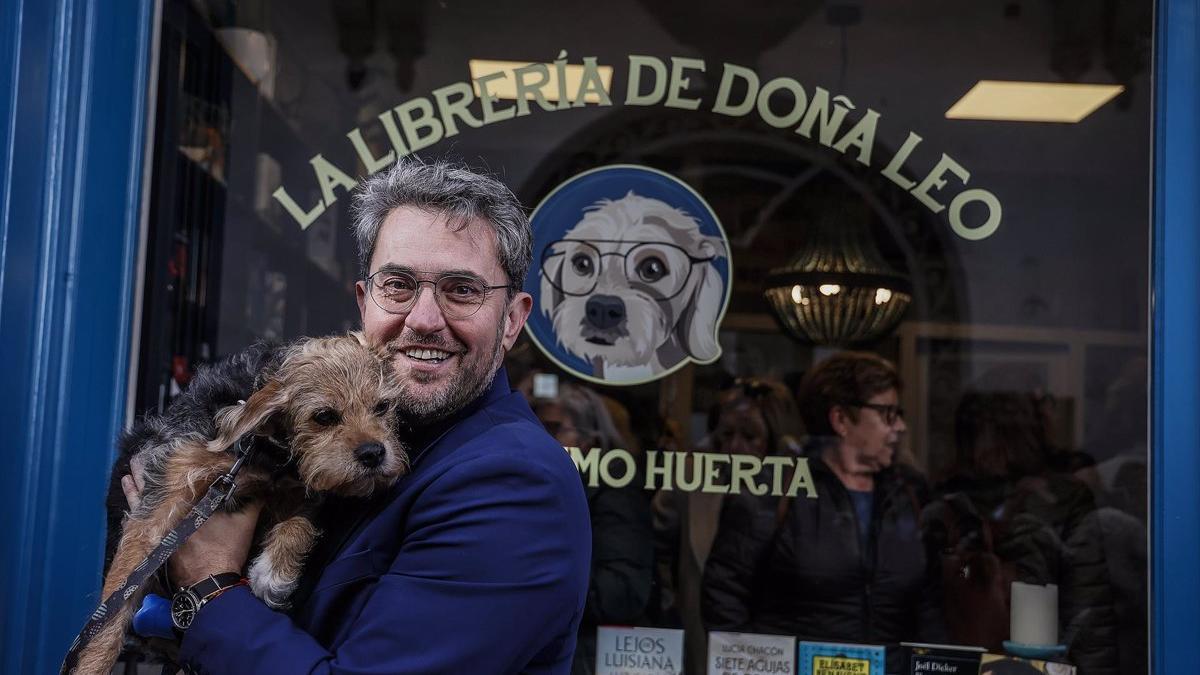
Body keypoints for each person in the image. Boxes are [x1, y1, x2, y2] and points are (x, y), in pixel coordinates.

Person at [122, 159, 592, 673]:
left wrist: (209, 584)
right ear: (365, 303)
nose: (424, 319)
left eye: (462, 290)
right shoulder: (361, 447)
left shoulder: (516, 485)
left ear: (512, 321)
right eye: (398, 285)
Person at [701, 352, 944, 673]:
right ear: (841, 420)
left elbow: (929, 605)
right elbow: (724, 597)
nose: (899, 426)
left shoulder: (910, 492)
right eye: (887, 414)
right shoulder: (775, 489)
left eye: (898, 414)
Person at [924, 383, 1120, 675]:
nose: (982, 449)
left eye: (990, 434)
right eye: (973, 435)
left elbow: (1088, 617)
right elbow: (929, 606)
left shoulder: (1059, 501)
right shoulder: (947, 506)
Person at [653, 376, 802, 674]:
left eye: (750, 437)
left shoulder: (800, 493)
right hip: (703, 649)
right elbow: (656, 545)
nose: (735, 447)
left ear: (776, 441)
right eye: (726, 435)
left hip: (778, 651)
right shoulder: (693, 481)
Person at [531, 382, 654, 675]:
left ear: (589, 441)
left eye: (554, 429)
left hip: (592, 656)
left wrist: (533, 585)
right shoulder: (553, 485)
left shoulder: (615, 492)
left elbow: (621, 591)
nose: (540, 438)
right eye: (539, 426)